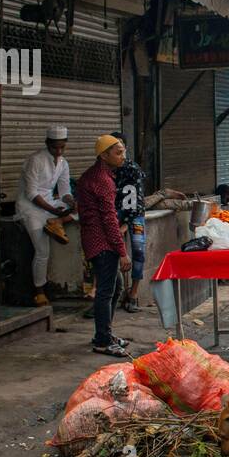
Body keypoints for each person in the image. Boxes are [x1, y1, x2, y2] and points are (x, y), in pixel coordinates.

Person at [79, 134, 130, 357]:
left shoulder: (93, 175)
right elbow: (110, 220)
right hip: (102, 243)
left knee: (115, 286)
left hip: (93, 239)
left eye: (123, 151)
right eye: (118, 152)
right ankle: (102, 340)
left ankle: (105, 333)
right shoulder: (102, 180)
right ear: (104, 155)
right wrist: (123, 252)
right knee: (106, 292)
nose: (123, 156)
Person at [17, 126, 76, 307]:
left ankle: (56, 224)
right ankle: (40, 291)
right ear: (47, 144)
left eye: (62, 148)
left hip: (50, 205)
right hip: (31, 208)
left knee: (83, 209)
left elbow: (65, 191)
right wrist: (53, 210)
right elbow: (31, 194)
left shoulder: (63, 163)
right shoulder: (35, 160)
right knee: (42, 251)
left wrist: (71, 202)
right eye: (54, 147)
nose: (58, 151)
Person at [110, 132, 147, 313]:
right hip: (113, 214)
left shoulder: (132, 169)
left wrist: (125, 224)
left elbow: (136, 201)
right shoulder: (104, 170)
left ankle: (133, 294)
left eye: (121, 149)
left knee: (138, 251)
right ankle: (108, 293)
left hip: (134, 214)